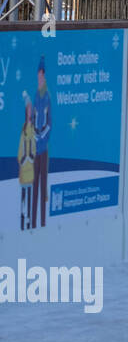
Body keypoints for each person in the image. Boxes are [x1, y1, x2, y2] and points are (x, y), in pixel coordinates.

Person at [33, 56, 52, 228]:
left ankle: (43, 223)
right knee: (34, 185)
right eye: (38, 74)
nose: (40, 77)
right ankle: (32, 223)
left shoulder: (47, 96)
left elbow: (50, 123)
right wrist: (34, 134)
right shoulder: (35, 96)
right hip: (35, 148)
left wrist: (42, 136)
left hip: (43, 148)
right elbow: (32, 119)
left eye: (42, 74)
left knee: (42, 184)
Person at [18, 93, 36, 231]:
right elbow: (20, 149)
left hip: (30, 168)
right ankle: (22, 220)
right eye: (28, 110)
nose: (30, 112)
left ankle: (29, 221)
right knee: (23, 197)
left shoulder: (32, 130)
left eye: (31, 110)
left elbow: (34, 148)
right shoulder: (23, 130)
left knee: (29, 197)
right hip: (24, 169)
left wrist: (31, 156)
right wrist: (23, 159)